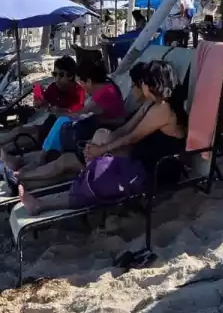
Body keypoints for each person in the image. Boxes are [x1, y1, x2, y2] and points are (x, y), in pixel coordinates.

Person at [19, 60, 187, 214]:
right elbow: (126, 128)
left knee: (99, 173)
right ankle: (28, 185)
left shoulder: (163, 109)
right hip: (141, 158)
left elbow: (132, 138)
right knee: (90, 151)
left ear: (151, 84)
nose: (139, 85)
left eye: (142, 82)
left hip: (154, 170)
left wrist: (101, 150)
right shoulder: (152, 103)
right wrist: (102, 142)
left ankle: (42, 203)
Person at [5, 62, 149, 186]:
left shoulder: (104, 93)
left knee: (62, 138)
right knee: (60, 145)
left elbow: (77, 113)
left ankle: (26, 170)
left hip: (104, 134)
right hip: (102, 132)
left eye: (82, 82)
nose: (82, 86)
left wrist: (51, 109)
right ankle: (25, 170)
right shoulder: (109, 85)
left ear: (89, 81)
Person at [0, 56, 84, 160]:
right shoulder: (54, 88)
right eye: (55, 74)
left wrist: (60, 111)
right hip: (47, 126)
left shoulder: (78, 92)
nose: (57, 79)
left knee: (19, 142)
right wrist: (39, 103)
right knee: (18, 130)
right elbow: (43, 104)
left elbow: (77, 114)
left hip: (60, 132)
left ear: (71, 76)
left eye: (61, 75)